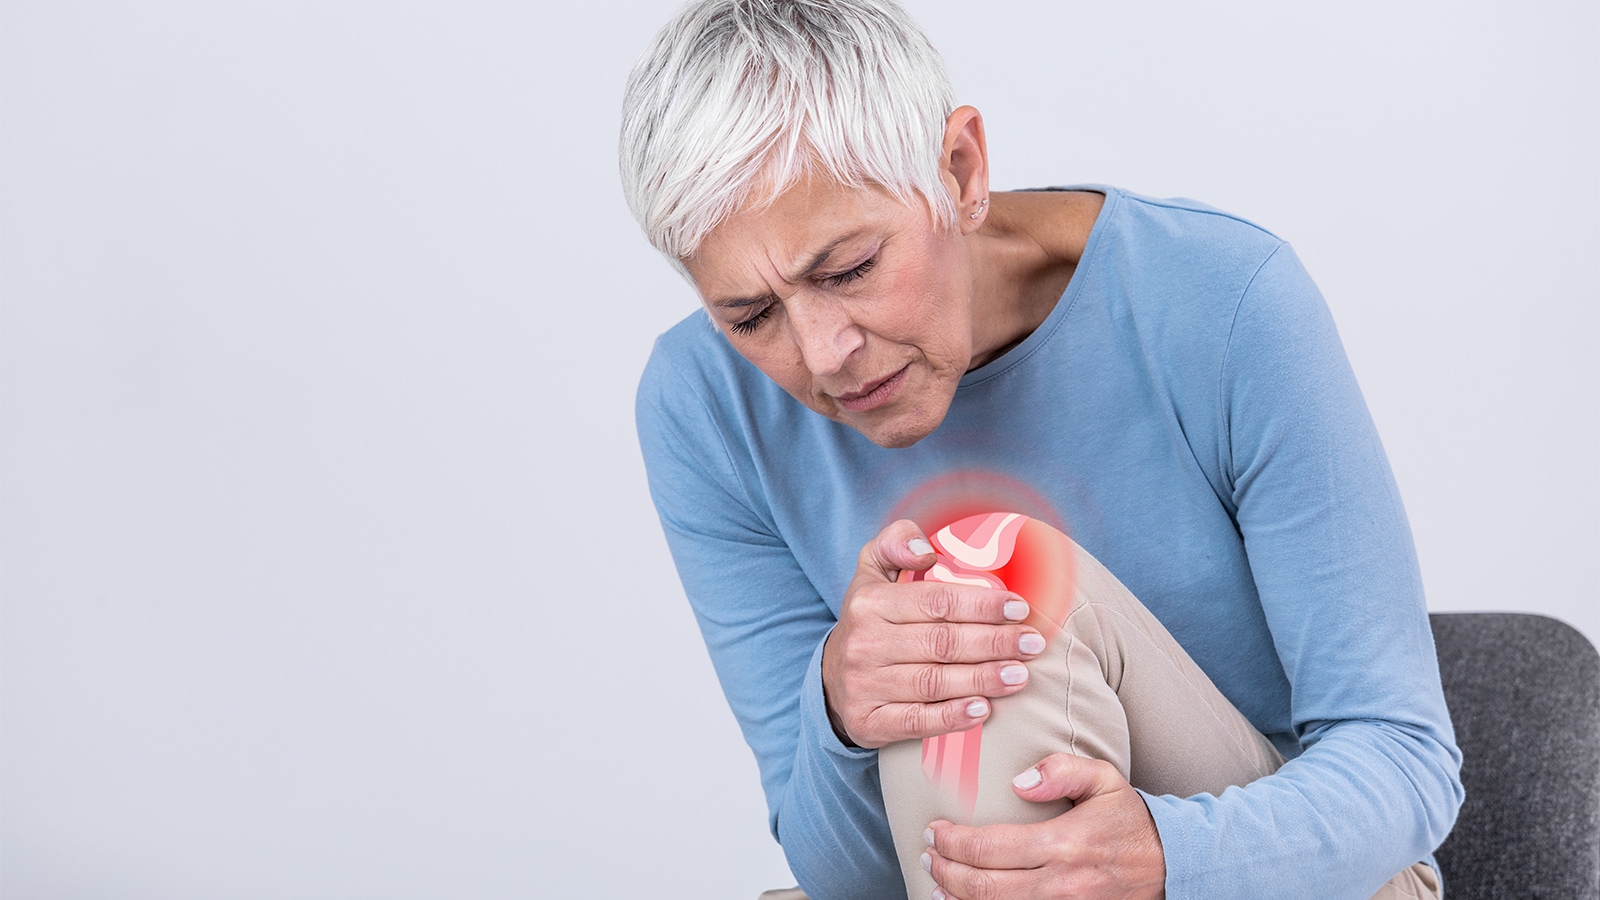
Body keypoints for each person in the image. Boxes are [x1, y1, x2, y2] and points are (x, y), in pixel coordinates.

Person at [620, 1, 1464, 897]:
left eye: (849, 270)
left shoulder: (1221, 300)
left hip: (1304, 876)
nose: (825, 352)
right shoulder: (703, 405)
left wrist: (1169, 856)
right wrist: (839, 705)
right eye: (752, 316)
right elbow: (846, 881)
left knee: (988, 580)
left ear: (960, 170)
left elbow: (1406, 764)